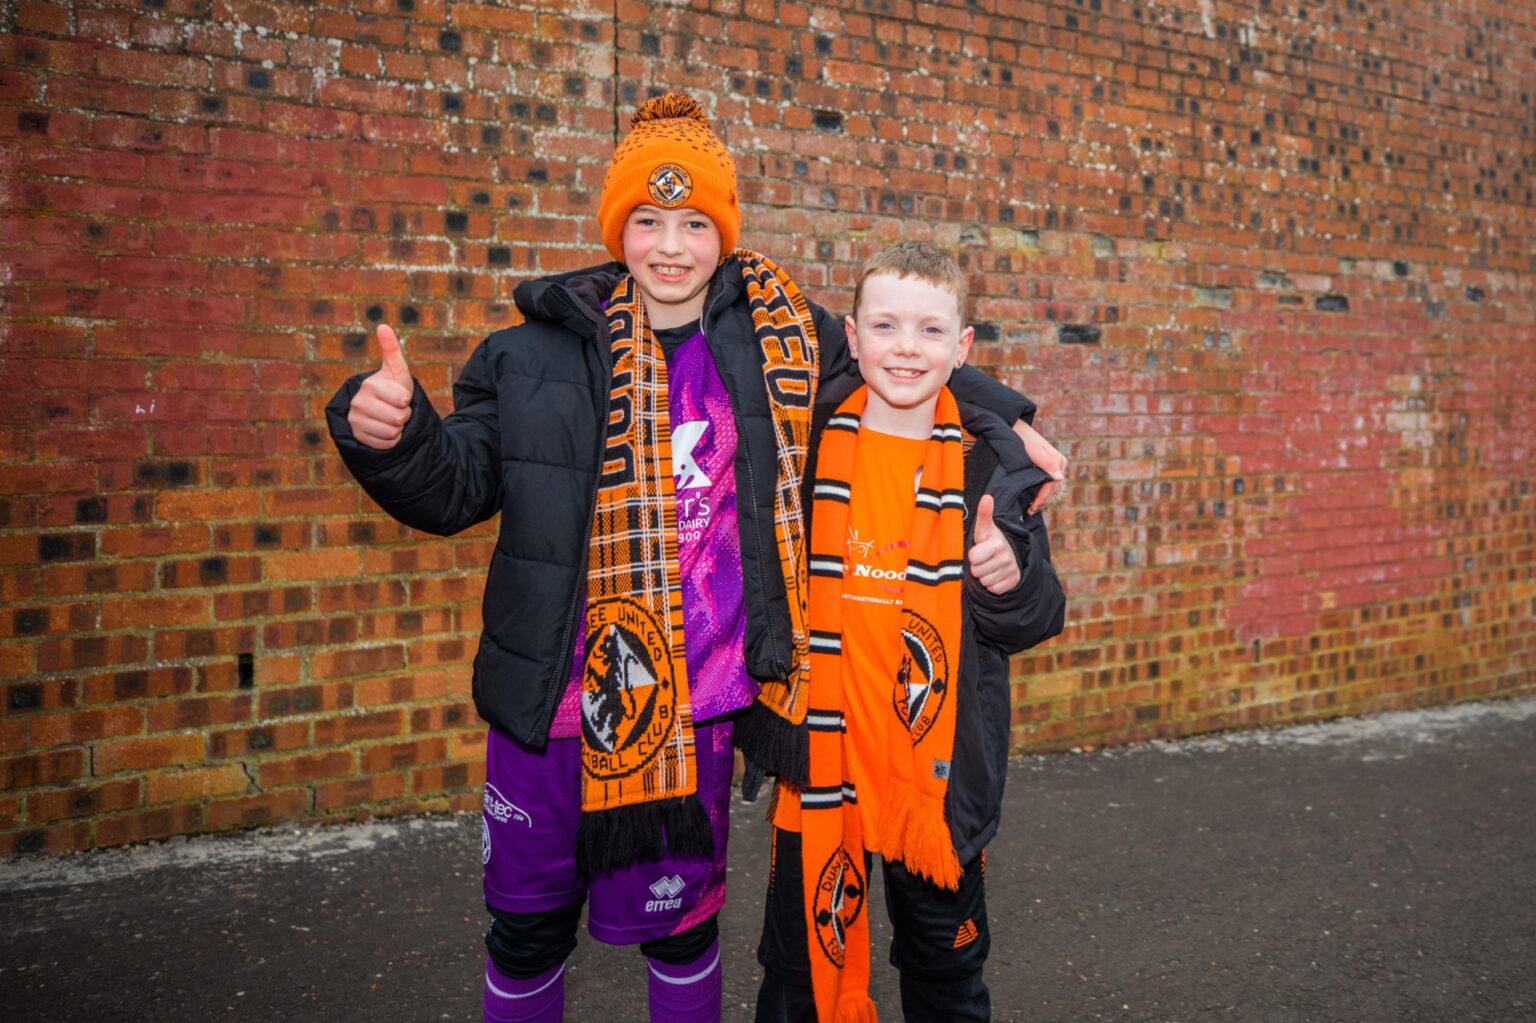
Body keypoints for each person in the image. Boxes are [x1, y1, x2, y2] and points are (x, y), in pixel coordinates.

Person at [326, 94, 1064, 1023]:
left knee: (682, 935)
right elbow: (455, 485)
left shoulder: (776, 340)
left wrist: (1009, 417)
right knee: (524, 933)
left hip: (697, 713)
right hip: (549, 711)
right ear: (615, 229)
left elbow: (900, 355)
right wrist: (390, 437)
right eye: (647, 221)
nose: (670, 246)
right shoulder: (527, 357)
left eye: (693, 223)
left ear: (723, 234)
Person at [750, 242, 1067, 1023]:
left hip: (936, 779)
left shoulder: (991, 465)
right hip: (822, 759)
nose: (905, 347)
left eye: (930, 330)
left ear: (962, 349)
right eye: (884, 325)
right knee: (795, 977)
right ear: (851, 337)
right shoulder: (808, 439)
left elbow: (1037, 614)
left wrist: (1006, 577)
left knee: (945, 975)